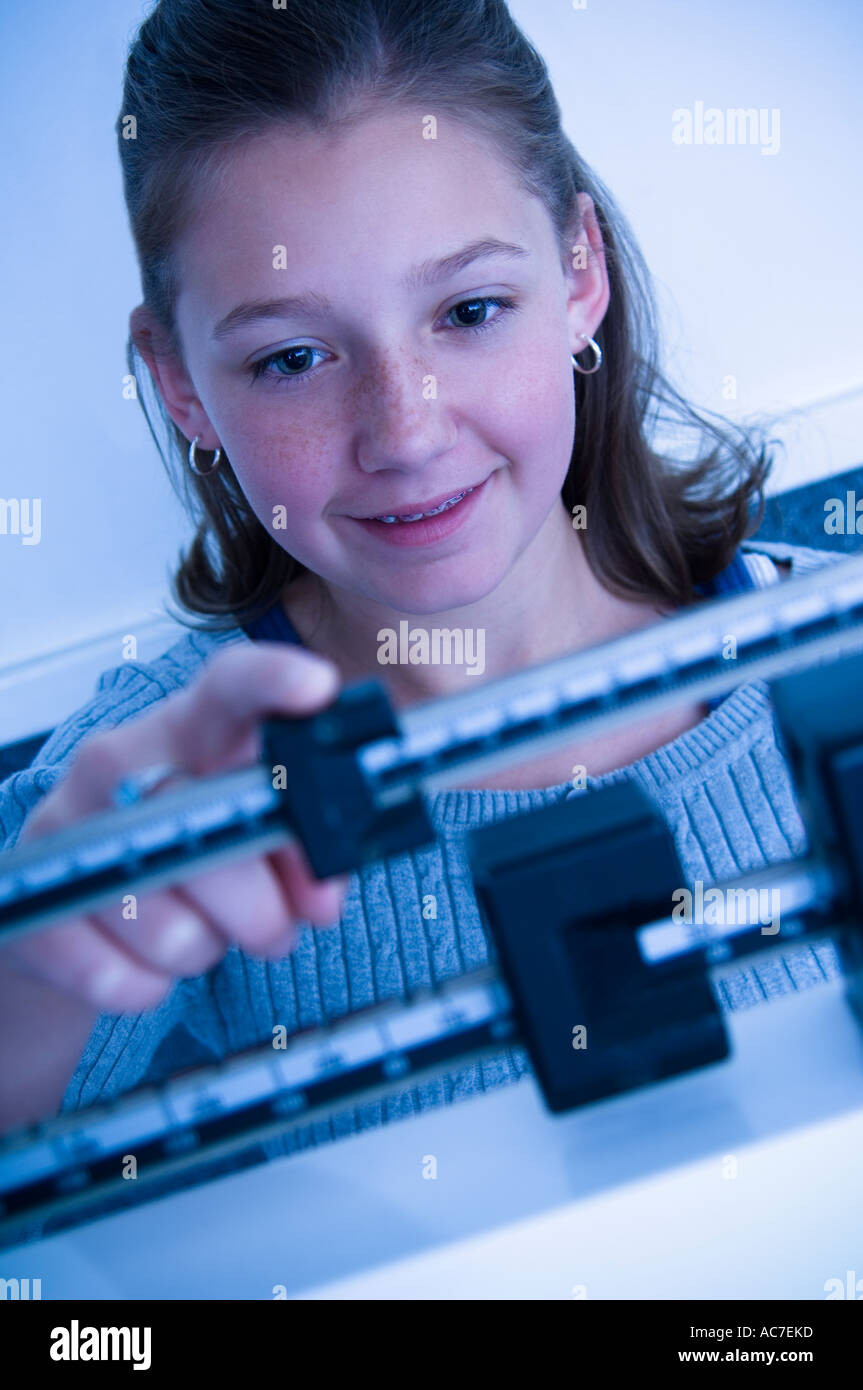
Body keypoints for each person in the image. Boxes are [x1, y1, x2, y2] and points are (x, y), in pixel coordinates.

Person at [0, 0, 843, 1157]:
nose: (404, 431)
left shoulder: (832, 651)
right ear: (181, 383)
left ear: (578, 271)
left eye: (468, 310)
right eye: (292, 357)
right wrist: (39, 973)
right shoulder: (146, 789)